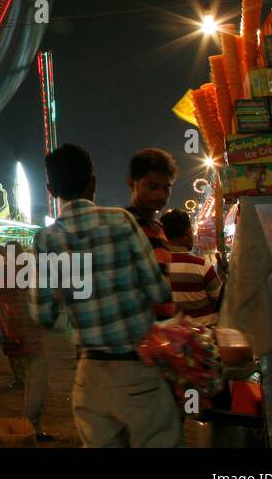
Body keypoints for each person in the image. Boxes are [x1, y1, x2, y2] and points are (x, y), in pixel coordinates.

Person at [33, 144, 181, 447]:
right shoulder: (121, 222)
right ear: (94, 182)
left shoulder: (47, 239)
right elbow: (158, 290)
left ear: (51, 189)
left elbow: (42, 314)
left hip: (89, 375)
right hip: (136, 367)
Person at [0, 242, 52, 441]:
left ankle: (33, 423)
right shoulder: (26, 269)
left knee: (31, 375)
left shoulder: (1, 272)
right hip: (29, 326)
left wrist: (5, 321)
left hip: (13, 325)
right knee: (37, 375)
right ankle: (33, 423)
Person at [125, 148, 178, 319]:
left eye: (166, 188)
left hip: (160, 336)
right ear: (132, 183)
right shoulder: (125, 226)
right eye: (153, 187)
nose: (161, 195)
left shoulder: (158, 229)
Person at [160, 208, 223, 325]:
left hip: (168, 334)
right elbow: (220, 302)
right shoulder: (202, 266)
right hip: (203, 333)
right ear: (188, 233)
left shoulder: (156, 266)